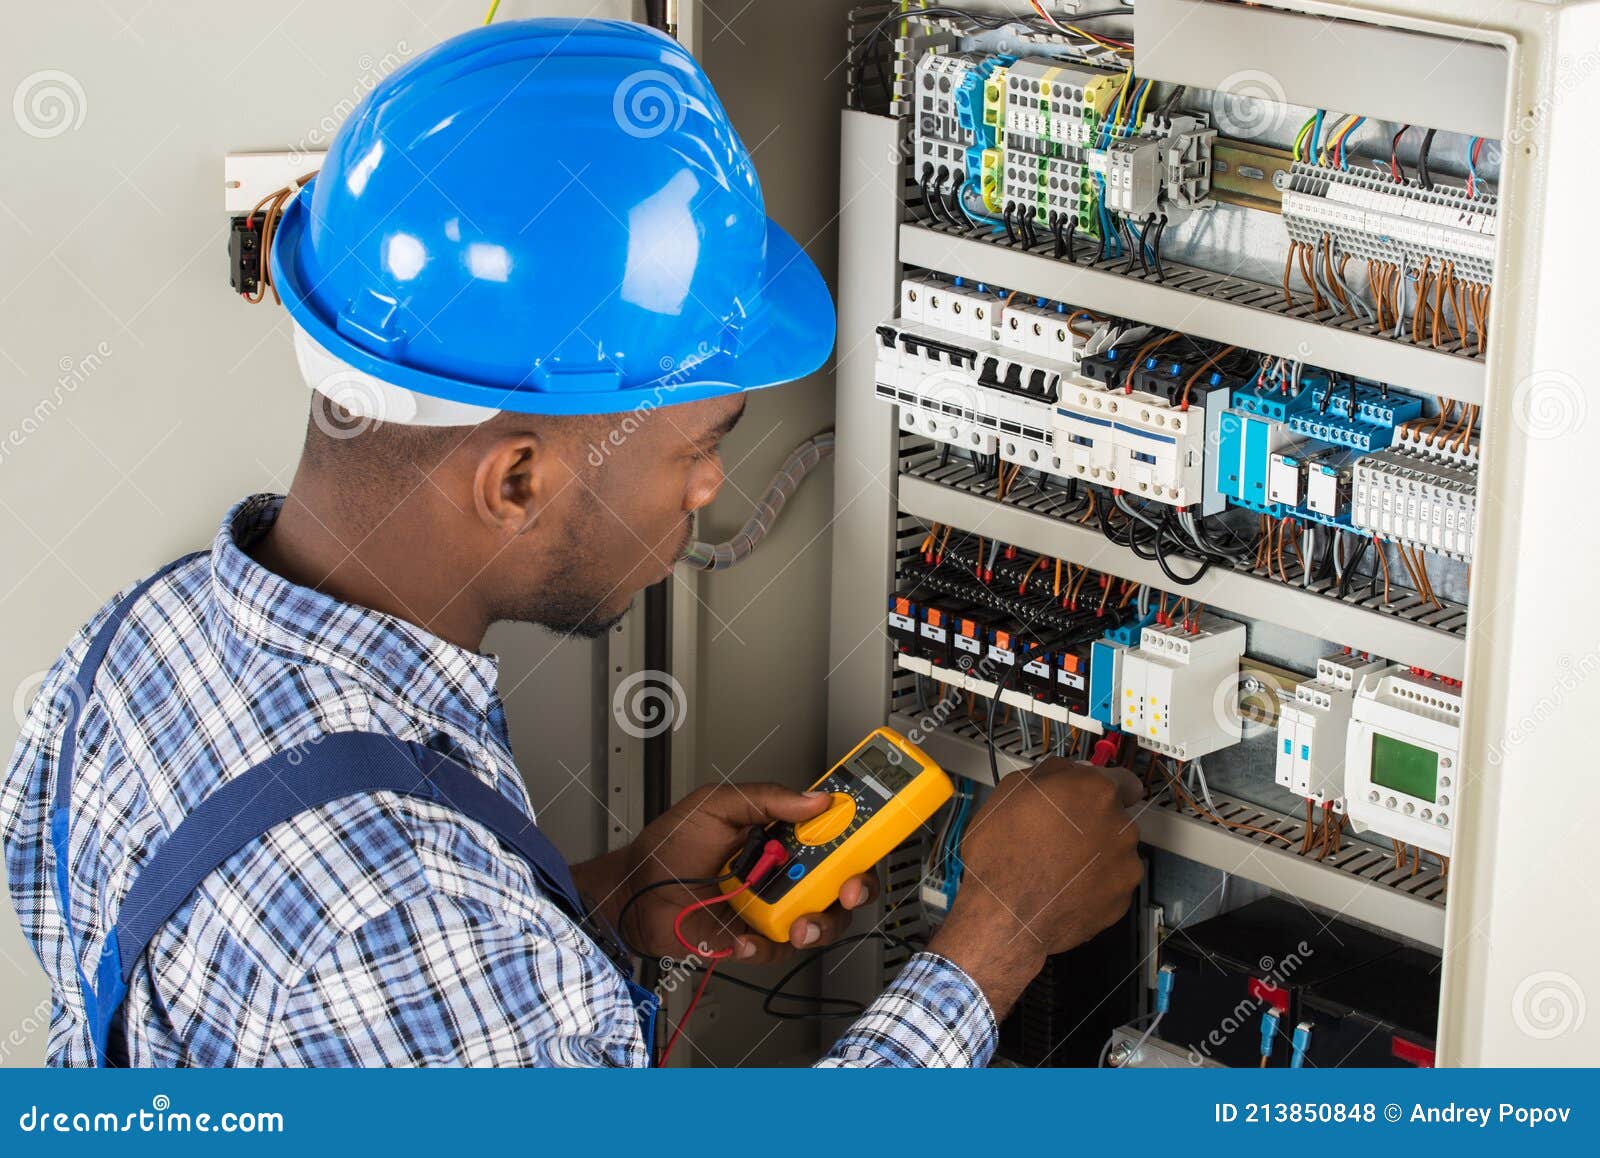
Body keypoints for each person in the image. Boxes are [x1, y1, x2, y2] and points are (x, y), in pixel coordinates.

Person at [1, 18, 1141, 1068]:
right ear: (516, 479)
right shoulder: (402, 910)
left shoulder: (134, 640)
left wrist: (591, 899)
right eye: (700, 444)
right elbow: (391, 963)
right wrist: (992, 944)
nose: (709, 489)